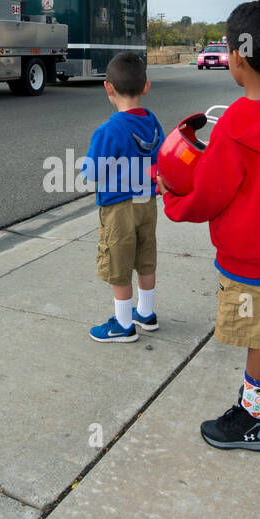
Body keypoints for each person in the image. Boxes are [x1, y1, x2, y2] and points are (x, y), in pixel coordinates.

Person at [161, 0, 260, 450]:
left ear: (239, 59)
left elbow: (209, 194)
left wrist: (174, 203)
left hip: (246, 256)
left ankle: (250, 418)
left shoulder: (232, 126)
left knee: (256, 334)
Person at [85, 52, 164, 342]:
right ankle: (146, 312)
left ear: (108, 88)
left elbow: (93, 171)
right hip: (147, 203)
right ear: (146, 87)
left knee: (118, 262)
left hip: (119, 207)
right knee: (146, 256)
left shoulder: (109, 130)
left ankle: (123, 324)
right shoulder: (152, 122)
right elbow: (163, 156)